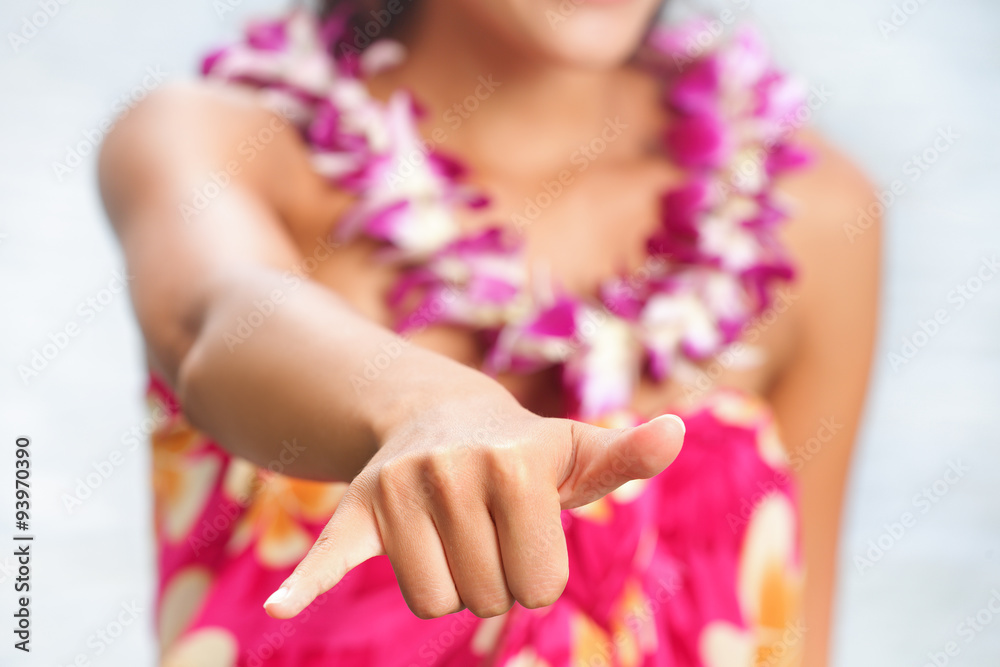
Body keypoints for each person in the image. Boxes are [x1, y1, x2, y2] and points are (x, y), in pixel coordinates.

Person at [99, 0, 879, 664]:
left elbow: (799, 634)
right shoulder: (221, 144)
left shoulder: (805, 218)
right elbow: (220, 316)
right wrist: (422, 407)